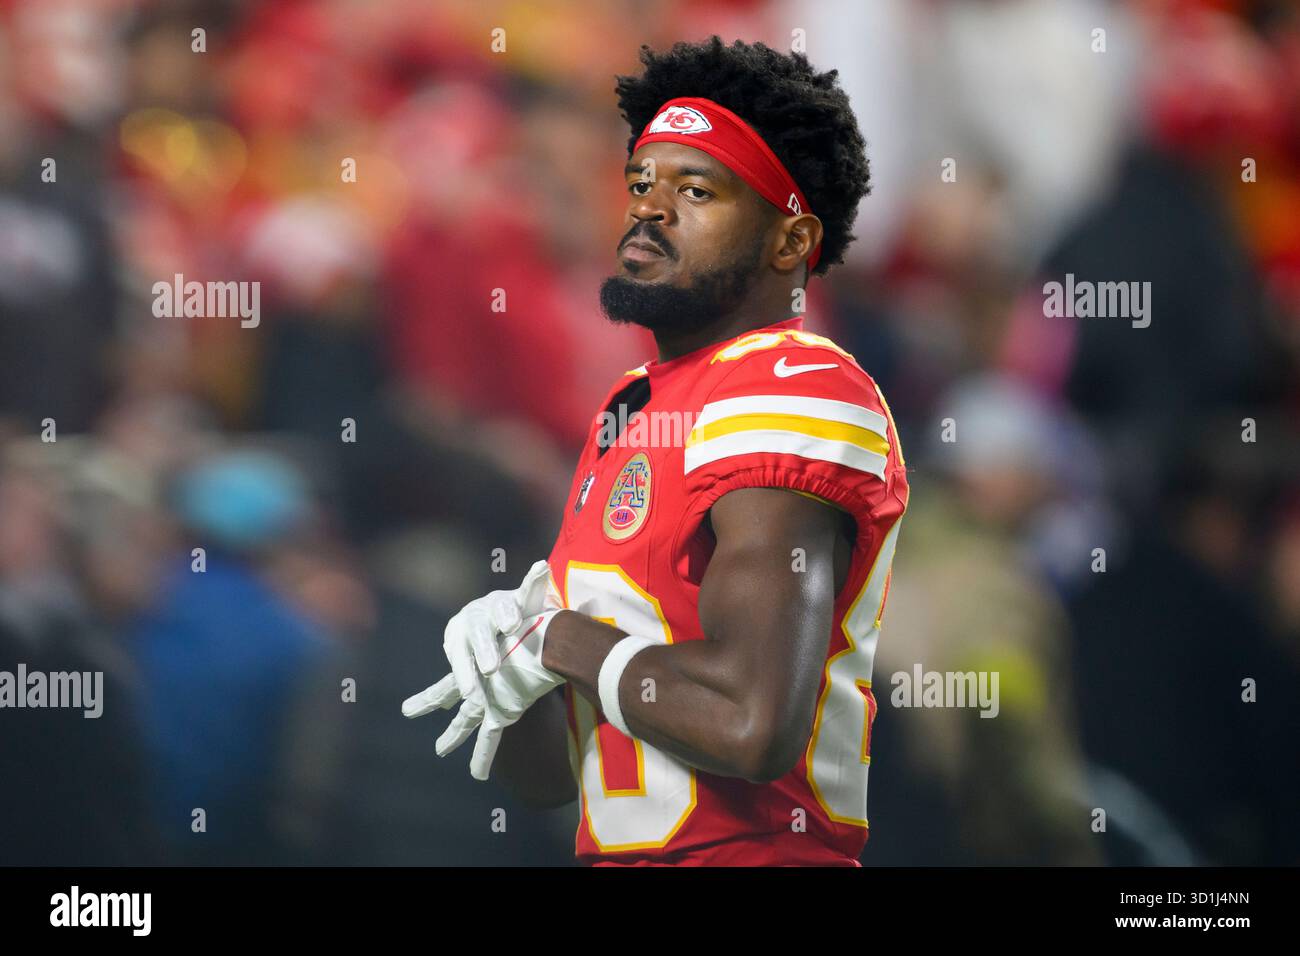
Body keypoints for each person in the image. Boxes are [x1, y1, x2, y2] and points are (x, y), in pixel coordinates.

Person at [403, 37, 905, 866]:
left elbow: (750, 725)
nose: (648, 208)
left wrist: (559, 640)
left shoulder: (795, 380)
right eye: (641, 182)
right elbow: (551, 780)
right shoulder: (632, 403)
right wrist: (511, 661)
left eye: (695, 190)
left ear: (789, 242)